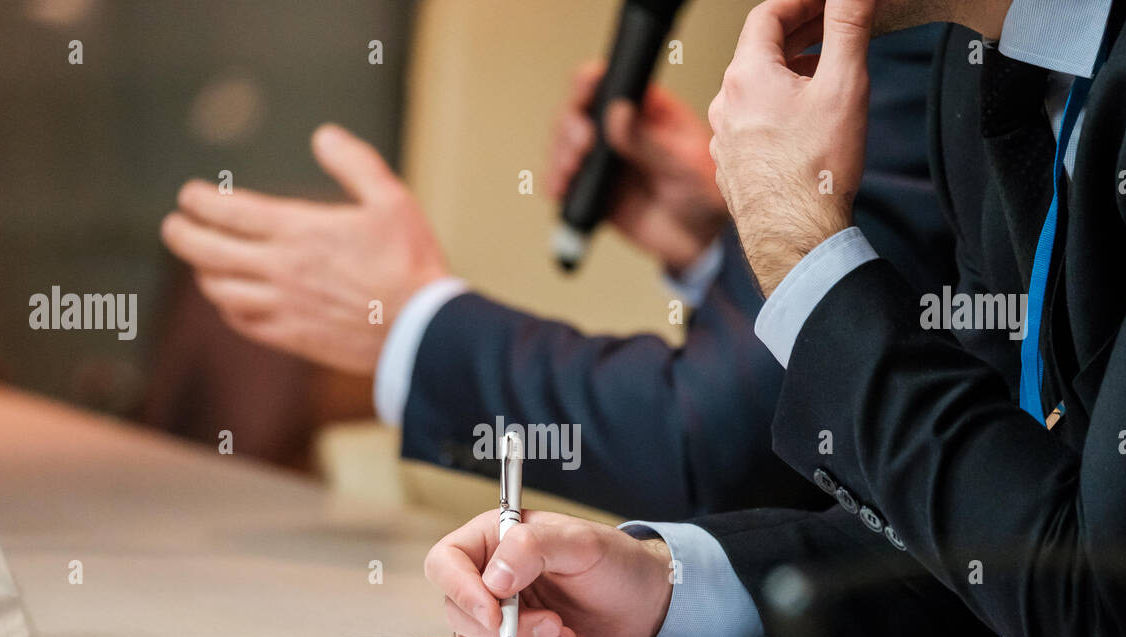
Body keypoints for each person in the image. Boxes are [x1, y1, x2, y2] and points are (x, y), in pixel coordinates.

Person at [423, 0, 1126, 637]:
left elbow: (1117, 624)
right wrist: (662, 583)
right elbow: (994, 539)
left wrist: (805, 252)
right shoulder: (980, 65)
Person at [160, 28, 952, 519]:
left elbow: (718, 445)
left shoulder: (901, 25)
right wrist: (727, 234)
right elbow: (884, 335)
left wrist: (414, 324)